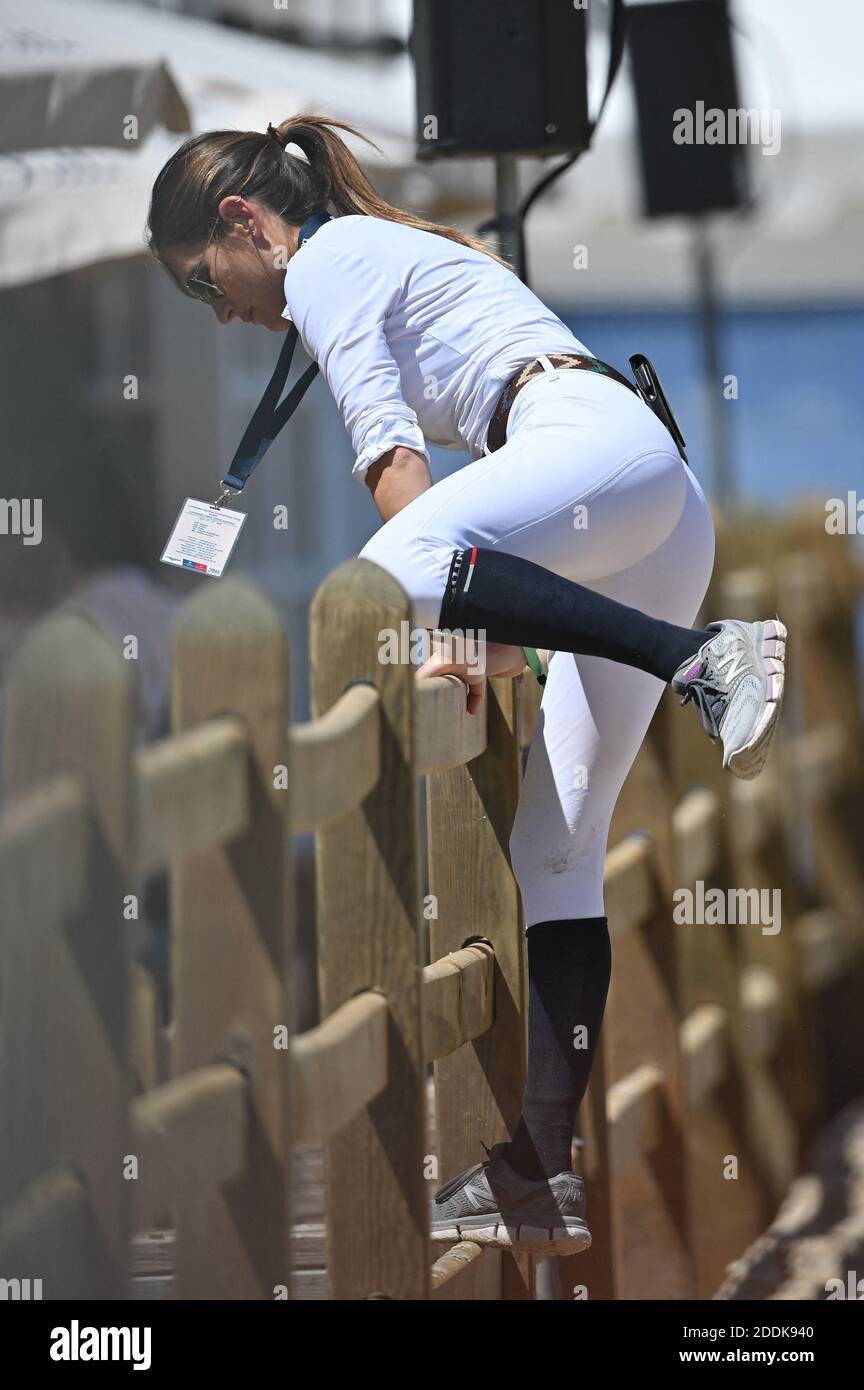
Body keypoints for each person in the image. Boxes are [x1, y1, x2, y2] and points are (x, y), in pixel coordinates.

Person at [146, 114, 787, 1256]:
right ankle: (542, 1168)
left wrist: (442, 607)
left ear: (246, 223)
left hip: (592, 449)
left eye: (207, 284)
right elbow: (469, 518)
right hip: (644, 492)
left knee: (380, 578)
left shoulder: (331, 261)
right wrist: (495, 630)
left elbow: (399, 469)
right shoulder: (354, 260)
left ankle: (697, 660)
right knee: (557, 851)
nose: (226, 312)